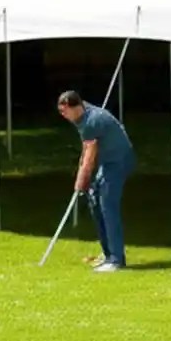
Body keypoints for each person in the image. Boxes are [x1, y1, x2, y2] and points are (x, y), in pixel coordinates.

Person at [57, 90, 135, 272]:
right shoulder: (82, 116)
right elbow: (86, 148)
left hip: (118, 162)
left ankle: (117, 260)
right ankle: (108, 254)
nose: (62, 115)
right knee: (95, 203)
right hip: (108, 163)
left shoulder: (92, 121)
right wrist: (83, 178)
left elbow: (90, 155)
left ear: (75, 107)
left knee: (107, 204)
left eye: (64, 111)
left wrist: (81, 181)